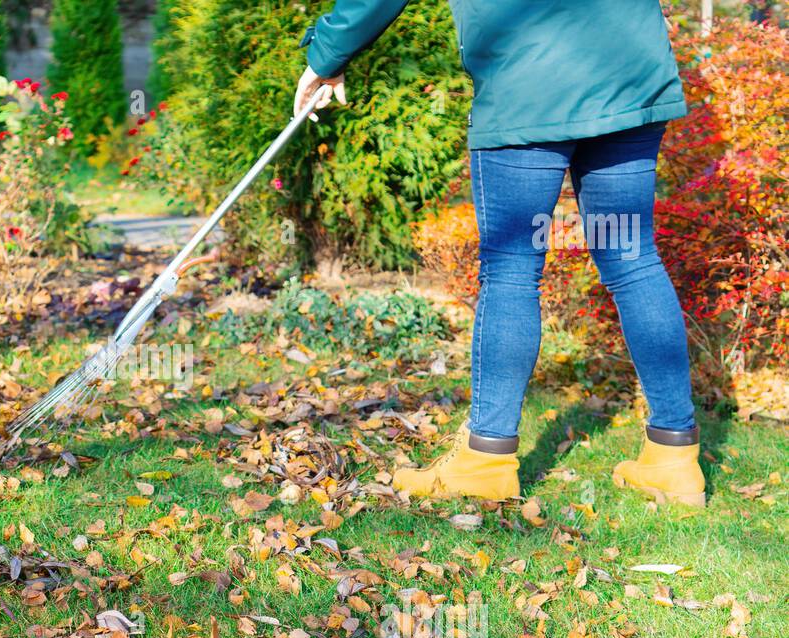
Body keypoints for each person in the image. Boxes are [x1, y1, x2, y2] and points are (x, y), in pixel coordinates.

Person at [294, 0, 706, 507]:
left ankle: (485, 462)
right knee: (631, 258)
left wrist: (327, 53)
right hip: (626, 67)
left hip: (530, 84)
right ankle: (674, 459)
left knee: (512, 269)